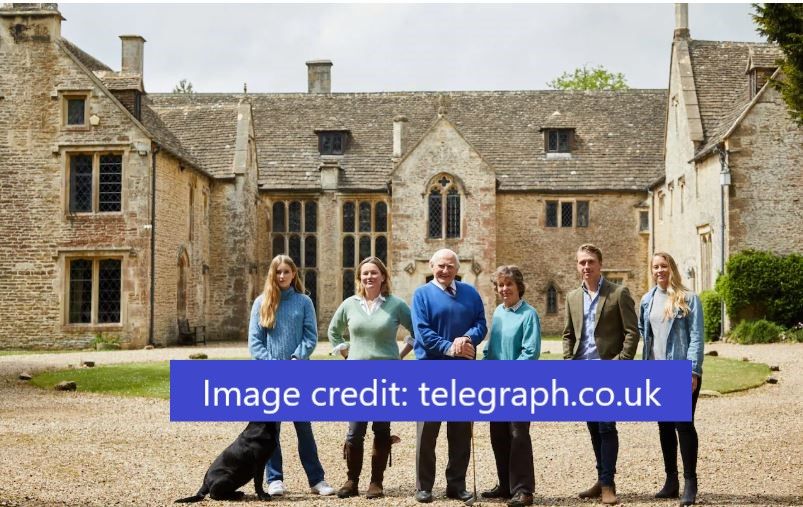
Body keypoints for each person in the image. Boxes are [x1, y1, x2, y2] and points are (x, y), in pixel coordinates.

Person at [327, 256, 415, 500]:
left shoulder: (396, 305)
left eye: (374, 273)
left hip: (386, 375)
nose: (369, 277)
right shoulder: (349, 304)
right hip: (356, 375)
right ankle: (351, 480)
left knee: (381, 428)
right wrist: (347, 355)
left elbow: (415, 332)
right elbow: (333, 332)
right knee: (355, 430)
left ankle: (376, 482)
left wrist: (400, 355)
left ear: (383, 277)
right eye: (364, 273)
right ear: (359, 278)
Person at [248, 255, 335, 497]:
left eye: (287, 271)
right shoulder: (261, 303)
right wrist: (272, 363)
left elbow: (310, 336)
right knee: (271, 430)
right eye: (278, 272)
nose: (283, 276)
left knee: (304, 428)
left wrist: (297, 358)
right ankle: (274, 479)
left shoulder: (304, 301)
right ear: (272, 275)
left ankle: (317, 479)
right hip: (268, 374)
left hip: (298, 372)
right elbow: (255, 342)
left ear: (294, 274)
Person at [562, 244, 639, 505]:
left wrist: (621, 363)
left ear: (600, 264)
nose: (586, 267)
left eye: (590, 262)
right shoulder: (572, 297)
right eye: (582, 262)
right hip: (582, 370)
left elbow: (632, 332)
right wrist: (568, 360)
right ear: (577, 265)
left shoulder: (618, 293)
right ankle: (600, 477)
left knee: (606, 426)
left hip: (608, 368)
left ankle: (608, 484)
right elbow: (568, 334)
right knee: (593, 426)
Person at [411, 249, 487, 504]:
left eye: (450, 266)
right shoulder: (421, 294)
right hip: (430, 370)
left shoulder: (470, 292)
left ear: (457, 268)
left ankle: (456, 484)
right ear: (432, 265)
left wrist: (468, 339)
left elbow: (481, 323)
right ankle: (424, 487)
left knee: (460, 432)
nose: (445, 270)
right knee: (427, 433)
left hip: (463, 371)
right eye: (441, 266)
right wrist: (449, 347)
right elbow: (422, 331)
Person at [639, 252, 704, 506]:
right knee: (664, 426)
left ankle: (690, 483)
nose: (659, 270)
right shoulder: (647, 300)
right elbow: (646, 334)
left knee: (683, 425)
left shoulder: (688, 299)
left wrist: (693, 370)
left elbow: (696, 337)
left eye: (664, 266)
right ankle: (671, 481)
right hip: (657, 372)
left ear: (671, 268)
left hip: (680, 370)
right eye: (655, 267)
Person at [482, 265, 541, 507]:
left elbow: (531, 351)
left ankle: (524, 490)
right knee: (498, 435)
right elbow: (491, 347)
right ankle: (505, 485)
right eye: (501, 285)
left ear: (519, 286)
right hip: (496, 385)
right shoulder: (498, 312)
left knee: (518, 436)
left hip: (518, 385)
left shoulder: (529, 314)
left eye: (509, 284)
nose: (504, 289)